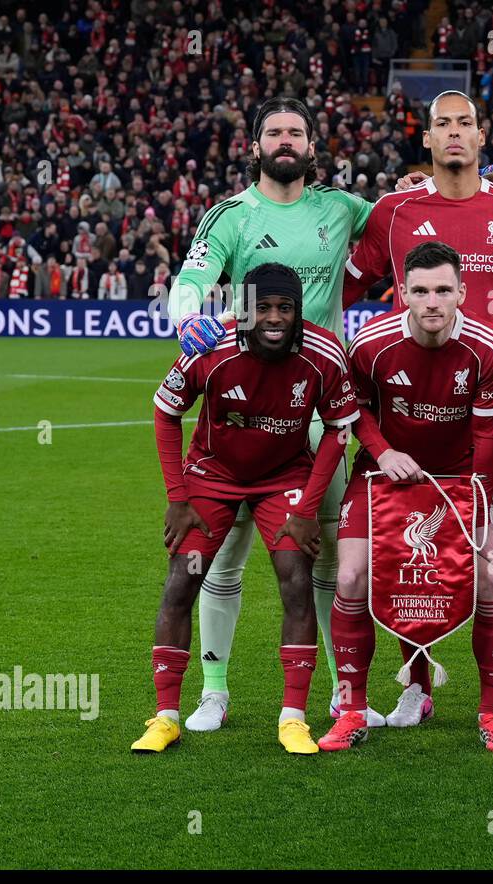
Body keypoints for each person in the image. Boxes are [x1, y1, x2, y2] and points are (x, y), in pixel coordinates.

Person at [341, 90, 493, 729]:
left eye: (465, 123)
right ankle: (416, 682)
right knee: (407, 555)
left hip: (491, 413)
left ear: (481, 134)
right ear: (429, 139)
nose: (455, 134)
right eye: (443, 124)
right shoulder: (394, 210)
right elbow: (348, 281)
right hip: (407, 410)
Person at [168, 97, 379, 733]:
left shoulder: (342, 209)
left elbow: (406, 222)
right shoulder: (231, 215)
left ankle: (344, 691)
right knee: (220, 558)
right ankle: (214, 690)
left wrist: (477, 180)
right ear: (255, 145)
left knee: (325, 554)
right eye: (273, 132)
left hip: (323, 403)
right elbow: (190, 278)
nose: (284, 141)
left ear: (312, 146)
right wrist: (187, 320)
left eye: (296, 132)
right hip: (249, 409)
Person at [133, 263, 360, 755]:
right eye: (262, 307)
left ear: (299, 312)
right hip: (213, 478)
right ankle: (166, 715)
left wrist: (307, 507)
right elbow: (165, 411)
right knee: (182, 579)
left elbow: (339, 429)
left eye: (285, 308)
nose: (273, 318)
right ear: (243, 310)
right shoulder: (210, 348)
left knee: (296, 578)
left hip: (285, 480)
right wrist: (177, 497)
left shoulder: (324, 353)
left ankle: (294, 717)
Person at [319, 241, 493, 751]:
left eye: (444, 290)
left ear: (462, 293)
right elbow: (352, 408)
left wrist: (483, 509)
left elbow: (490, 439)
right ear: (403, 293)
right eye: (422, 291)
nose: (433, 301)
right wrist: (383, 452)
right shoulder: (371, 343)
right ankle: (353, 708)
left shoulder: (487, 347)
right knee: (351, 575)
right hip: (380, 477)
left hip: (460, 481)